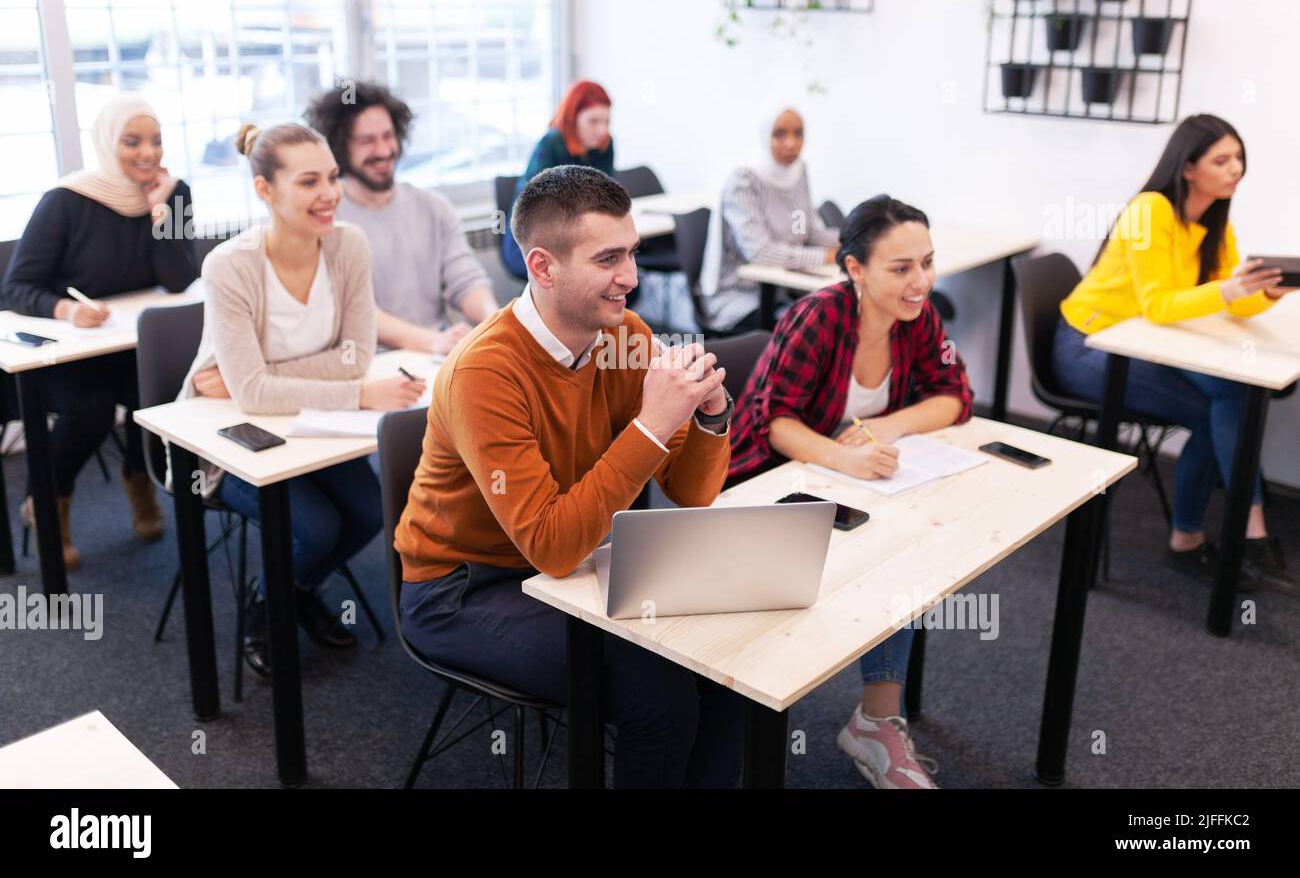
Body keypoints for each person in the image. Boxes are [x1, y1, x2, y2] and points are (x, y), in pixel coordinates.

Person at [396, 165, 743, 788]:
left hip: (583, 560)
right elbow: (552, 545)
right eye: (608, 258)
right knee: (659, 691)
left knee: (724, 662)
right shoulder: (485, 372)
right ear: (543, 267)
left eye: (632, 253)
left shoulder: (624, 337)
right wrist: (650, 428)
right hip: (465, 588)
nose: (632, 278)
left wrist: (710, 418)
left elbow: (691, 494)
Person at [728, 196, 974, 788]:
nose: (921, 283)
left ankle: (877, 721)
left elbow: (956, 396)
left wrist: (883, 428)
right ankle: (862, 721)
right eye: (901, 268)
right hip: (763, 480)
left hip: (843, 477)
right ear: (855, 268)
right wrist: (844, 455)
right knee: (891, 553)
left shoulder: (916, 316)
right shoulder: (819, 317)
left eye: (928, 263)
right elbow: (774, 424)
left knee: (912, 548)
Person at [180, 121, 425, 676]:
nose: (330, 194)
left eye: (333, 177)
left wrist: (264, 375)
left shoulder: (348, 245)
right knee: (314, 529)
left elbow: (356, 354)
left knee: (368, 512)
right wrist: (353, 392)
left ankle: (288, 589)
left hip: (314, 426)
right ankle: (268, 607)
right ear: (265, 190)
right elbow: (254, 394)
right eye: (310, 181)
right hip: (235, 438)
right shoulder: (229, 265)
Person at [1053, 114, 1297, 593]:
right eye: (1222, 160)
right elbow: (1159, 304)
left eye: (1239, 159)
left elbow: (1229, 298)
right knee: (1219, 410)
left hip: (1150, 342)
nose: (1235, 170)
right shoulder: (1152, 211)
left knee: (1236, 396)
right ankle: (1211, 536)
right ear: (1188, 167)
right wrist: (1228, 290)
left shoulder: (1214, 222)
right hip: (1089, 345)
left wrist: (1265, 292)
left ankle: (1242, 530)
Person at [4, 92, 198, 568]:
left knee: (160, 396)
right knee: (89, 409)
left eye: (155, 140)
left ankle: (139, 478)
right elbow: (16, 286)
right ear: (108, 143)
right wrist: (65, 310)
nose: (148, 153)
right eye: (132, 141)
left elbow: (177, 279)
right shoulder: (67, 200)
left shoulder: (173, 193)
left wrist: (160, 211)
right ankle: (49, 501)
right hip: (69, 348)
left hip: (125, 342)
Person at [304, 81, 498, 356]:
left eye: (388, 136)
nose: (383, 151)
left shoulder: (434, 207)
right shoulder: (325, 220)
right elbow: (353, 309)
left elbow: (465, 278)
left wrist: (496, 321)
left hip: (436, 357)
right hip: (369, 363)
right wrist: (431, 341)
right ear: (339, 148)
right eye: (366, 141)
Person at [699, 104, 839, 333]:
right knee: (814, 329)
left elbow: (805, 231)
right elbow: (759, 252)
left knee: (836, 317)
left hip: (782, 290)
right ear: (765, 137)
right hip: (738, 296)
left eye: (799, 134)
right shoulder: (744, 181)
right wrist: (824, 257)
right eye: (779, 134)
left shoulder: (798, 173)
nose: (791, 143)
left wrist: (853, 240)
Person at [501, 80, 615, 279]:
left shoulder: (604, 146)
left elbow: (608, 199)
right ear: (573, 118)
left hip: (581, 238)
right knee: (591, 277)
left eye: (606, 121)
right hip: (531, 241)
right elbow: (538, 210)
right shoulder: (551, 144)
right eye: (593, 121)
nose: (602, 130)